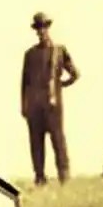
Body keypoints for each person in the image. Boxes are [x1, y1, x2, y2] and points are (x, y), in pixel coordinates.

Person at [20, 12, 79, 185]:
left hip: (53, 103)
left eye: (44, 27)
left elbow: (75, 73)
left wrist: (61, 85)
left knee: (58, 139)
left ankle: (64, 176)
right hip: (34, 103)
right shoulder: (30, 54)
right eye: (38, 28)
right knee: (36, 142)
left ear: (48, 28)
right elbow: (24, 82)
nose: (41, 31)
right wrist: (24, 105)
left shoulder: (58, 51)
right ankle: (39, 177)